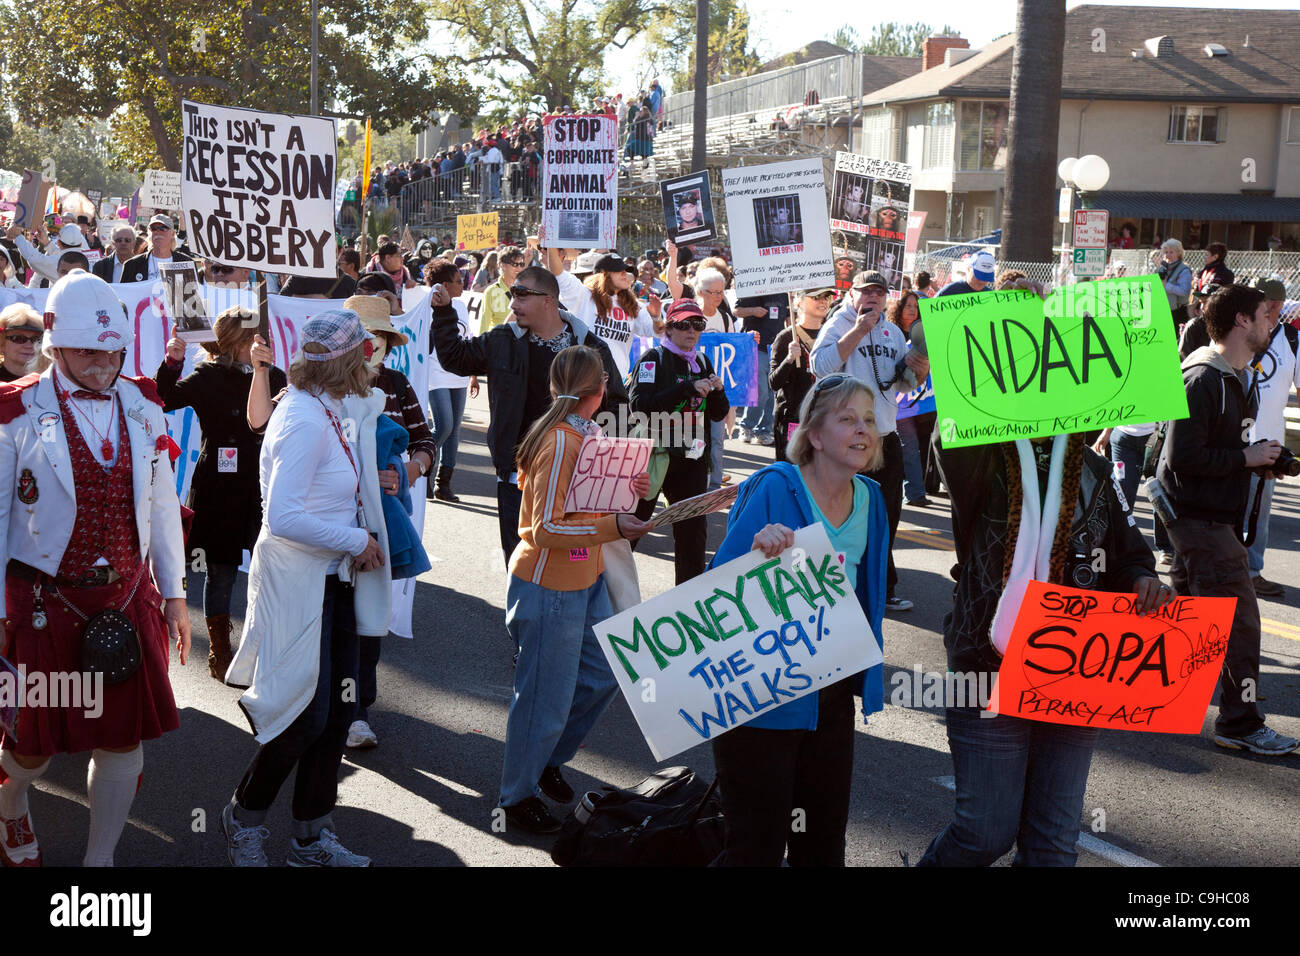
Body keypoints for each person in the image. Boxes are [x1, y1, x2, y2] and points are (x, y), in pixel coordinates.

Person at [920, 410, 1173, 864]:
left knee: (1053, 846)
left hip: (1077, 671)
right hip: (988, 668)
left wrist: (1141, 579)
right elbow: (952, 433)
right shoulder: (981, 455)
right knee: (984, 833)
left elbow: (1129, 555)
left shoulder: (1094, 469)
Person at [0, 271, 190, 867]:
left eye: (115, 351)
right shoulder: (14, 412)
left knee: (122, 740)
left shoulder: (143, 403)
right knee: (31, 747)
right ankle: (10, 808)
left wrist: (177, 595)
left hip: (126, 599)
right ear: (55, 343)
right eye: (89, 352)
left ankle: (98, 863)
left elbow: (161, 503)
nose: (105, 364)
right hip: (41, 601)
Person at [221, 309, 391, 867]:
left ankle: (312, 837)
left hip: (332, 580)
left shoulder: (328, 407)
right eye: (366, 352)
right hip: (299, 582)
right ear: (349, 360)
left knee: (338, 713)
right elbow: (285, 516)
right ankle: (244, 819)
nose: (375, 359)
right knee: (303, 716)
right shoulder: (302, 417)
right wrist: (353, 538)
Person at [707, 374, 887, 865]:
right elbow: (716, 590)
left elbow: (869, 595)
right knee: (755, 848)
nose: (862, 430)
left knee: (823, 845)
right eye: (847, 418)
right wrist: (755, 551)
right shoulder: (772, 487)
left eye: (868, 420)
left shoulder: (872, 497)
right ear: (813, 434)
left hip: (829, 691)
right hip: (761, 691)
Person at [497, 346, 651, 834]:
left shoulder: (585, 433)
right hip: (549, 583)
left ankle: (545, 761)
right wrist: (614, 527)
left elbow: (589, 506)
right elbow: (541, 529)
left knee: (605, 673)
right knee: (543, 699)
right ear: (598, 389)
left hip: (584, 579)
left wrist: (633, 490)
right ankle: (515, 799)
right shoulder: (562, 440)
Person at [1157, 284, 1298, 756]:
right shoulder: (1203, 379)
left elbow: (1225, 448)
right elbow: (1180, 456)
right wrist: (1245, 458)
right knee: (1240, 625)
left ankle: (1163, 702)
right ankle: (1240, 723)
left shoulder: (1235, 375)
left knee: (1189, 620)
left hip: (1205, 518)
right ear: (1241, 321)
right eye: (1264, 313)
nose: (1272, 321)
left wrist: (1266, 460)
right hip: (1200, 521)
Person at [431, 267, 626, 568]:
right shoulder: (502, 340)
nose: (513, 304)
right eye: (512, 294)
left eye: (521, 295)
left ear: (548, 300)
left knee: (571, 564)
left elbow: (617, 407)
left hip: (573, 478)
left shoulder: (589, 346)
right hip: (515, 477)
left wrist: (597, 452)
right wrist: (443, 313)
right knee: (520, 563)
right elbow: (456, 358)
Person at [156, 307, 287, 680]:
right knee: (221, 571)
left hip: (263, 483)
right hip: (218, 484)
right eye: (253, 338)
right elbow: (162, 399)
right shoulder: (207, 375)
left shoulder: (271, 375)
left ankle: (265, 647)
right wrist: (172, 360)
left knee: (270, 568)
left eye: (262, 337)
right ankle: (220, 651)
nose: (261, 343)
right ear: (237, 342)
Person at [811, 270, 927, 612]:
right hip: (845, 442)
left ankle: (881, 587)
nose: (873, 297)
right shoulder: (838, 323)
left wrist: (917, 371)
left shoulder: (892, 332)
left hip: (884, 438)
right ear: (851, 295)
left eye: (879, 292)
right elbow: (821, 366)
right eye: (866, 292)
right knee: (842, 517)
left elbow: (899, 385)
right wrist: (858, 330)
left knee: (885, 517)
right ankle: (836, 588)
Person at [629, 299, 730, 584]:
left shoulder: (702, 361)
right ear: (668, 328)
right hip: (654, 456)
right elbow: (639, 406)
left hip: (691, 458)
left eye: (697, 324)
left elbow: (718, 413)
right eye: (683, 324)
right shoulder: (653, 358)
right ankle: (605, 588)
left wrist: (718, 392)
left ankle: (688, 599)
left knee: (692, 534)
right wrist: (685, 388)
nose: (691, 331)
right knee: (633, 526)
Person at [1241, 278, 1297, 598]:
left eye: (1277, 301)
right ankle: (1227, 569)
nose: (1272, 306)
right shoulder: (1244, 329)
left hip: (1271, 441)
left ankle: (1251, 570)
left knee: (1259, 512)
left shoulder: (1292, 338)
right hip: (1237, 437)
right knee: (1228, 506)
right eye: (1266, 300)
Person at [547, 248, 659, 378]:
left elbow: (657, 331)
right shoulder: (584, 296)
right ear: (603, 274)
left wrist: (656, 317)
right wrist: (551, 244)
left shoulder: (633, 305)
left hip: (616, 382)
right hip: (584, 377)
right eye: (618, 271)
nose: (624, 274)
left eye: (625, 270)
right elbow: (558, 273)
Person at [423, 260, 479, 503]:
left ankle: (442, 484)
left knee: (454, 430)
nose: (462, 284)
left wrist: (474, 373)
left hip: (460, 373)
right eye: (458, 281)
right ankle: (422, 469)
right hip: (436, 373)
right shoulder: (425, 304)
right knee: (444, 426)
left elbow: (467, 337)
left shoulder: (461, 305)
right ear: (444, 284)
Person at [770, 288, 834, 462]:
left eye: (826, 297)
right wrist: (790, 359)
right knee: (792, 473)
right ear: (798, 303)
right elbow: (774, 383)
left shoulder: (831, 335)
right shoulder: (786, 337)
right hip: (793, 418)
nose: (823, 301)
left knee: (819, 473)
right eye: (816, 297)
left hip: (823, 417)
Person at [889, 290, 937, 507]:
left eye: (916, 307)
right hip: (898, 402)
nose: (913, 310)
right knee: (908, 446)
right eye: (908, 305)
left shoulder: (929, 334)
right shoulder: (890, 332)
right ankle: (914, 492)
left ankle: (917, 488)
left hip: (923, 402)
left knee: (918, 446)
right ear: (899, 308)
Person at [732, 288, 789, 445]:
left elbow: (789, 319)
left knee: (772, 392)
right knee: (760, 390)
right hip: (756, 345)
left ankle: (763, 430)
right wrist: (753, 310)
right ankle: (747, 426)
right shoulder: (755, 287)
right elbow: (736, 310)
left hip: (776, 348)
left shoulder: (784, 291)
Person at [121, 215, 193, 283]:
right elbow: (124, 294)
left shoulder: (186, 263)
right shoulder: (132, 265)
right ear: (149, 232)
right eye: (154, 228)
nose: (158, 232)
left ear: (173, 234)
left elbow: (192, 294)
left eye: (163, 228)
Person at [480, 248, 522, 331]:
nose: (519, 268)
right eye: (515, 264)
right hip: (499, 341)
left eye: (521, 264)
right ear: (502, 265)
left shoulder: (526, 290)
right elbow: (484, 324)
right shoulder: (491, 291)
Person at [0, 305, 45, 381]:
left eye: (36, 339)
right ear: (2, 343)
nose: (29, 345)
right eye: (19, 338)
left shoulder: (50, 381)